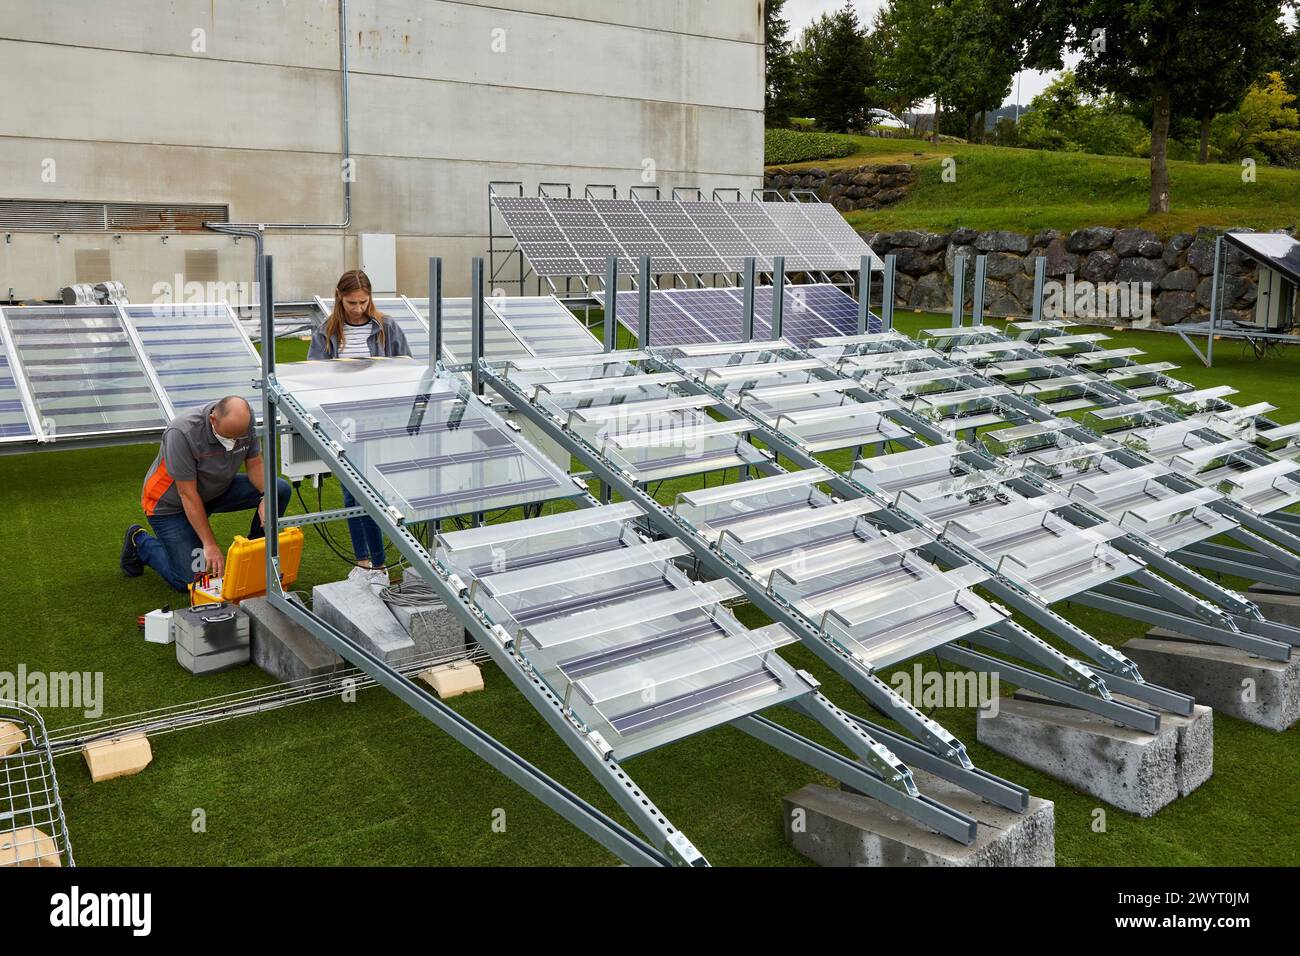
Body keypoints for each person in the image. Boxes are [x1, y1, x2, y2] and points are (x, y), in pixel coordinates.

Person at [120, 395, 292, 591]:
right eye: (229, 436)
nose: (234, 441)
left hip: (215, 491)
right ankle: (140, 542)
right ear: (213, 420)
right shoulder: (181, 432)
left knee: (278, 490)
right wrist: (209, 545)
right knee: (194, 580)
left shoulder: (244, 419)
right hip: (170, 505)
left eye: (239, 436)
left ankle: (255, 554)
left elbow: (255, 463)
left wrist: (265, 497)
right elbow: (187, 493)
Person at [308, 270, 412, 586]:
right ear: (339, 296)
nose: (358, 308)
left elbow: (407, 367)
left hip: (380, 421)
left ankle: (377, 566)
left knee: (372, 493)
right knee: (352, 494)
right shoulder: (326, 332)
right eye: (352, 302)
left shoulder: (387, 326)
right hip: (343, 424)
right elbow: (314, 380)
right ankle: (366, 563)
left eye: (363, 302)